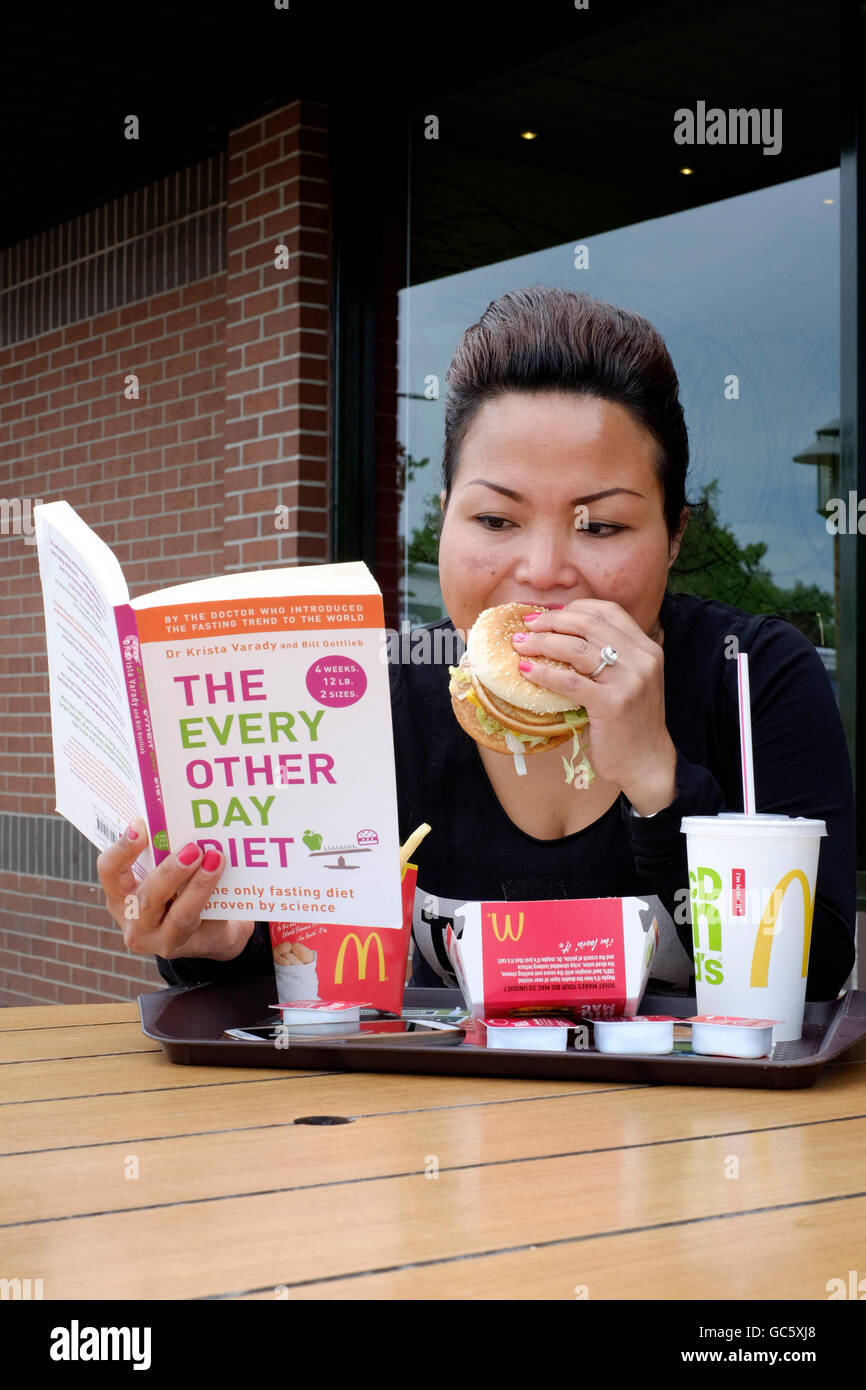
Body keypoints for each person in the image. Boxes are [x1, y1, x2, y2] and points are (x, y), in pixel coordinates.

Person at [97, 287, 856, 1001]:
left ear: (674, 536)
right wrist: (212, 941)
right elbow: (295, 978)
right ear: (445, 516)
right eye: (495, 520)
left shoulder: (750, 680)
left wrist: (659, 782)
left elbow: (814, 977)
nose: (544, 571)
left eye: (604, 526)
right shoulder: (375, 695)